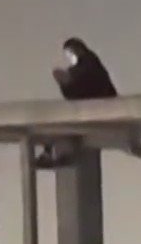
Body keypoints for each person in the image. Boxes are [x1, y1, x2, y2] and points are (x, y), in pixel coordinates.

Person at [38, 37, 118, 169]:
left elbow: (84, 87)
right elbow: (75, 93)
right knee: (64, 126)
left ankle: (58, 153)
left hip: (100, 107)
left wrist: (68, 80)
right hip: (92, 107)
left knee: (66, 126)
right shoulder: (85, 66)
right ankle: (57, 153)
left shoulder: (89, 64)